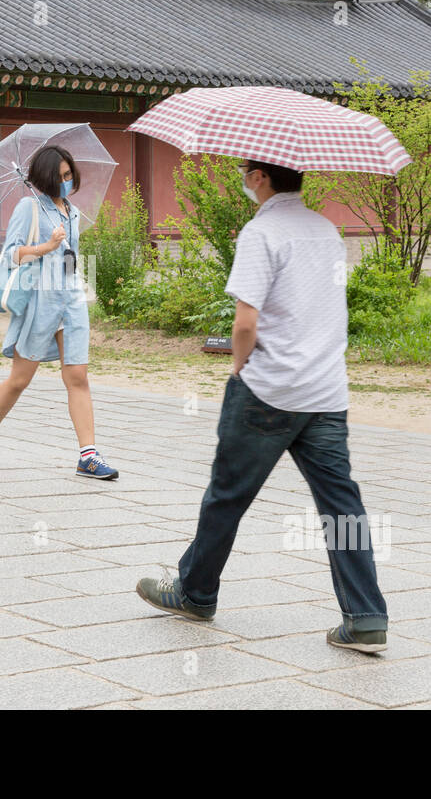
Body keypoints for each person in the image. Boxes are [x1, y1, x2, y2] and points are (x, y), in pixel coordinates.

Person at [135, 158, 388, 652]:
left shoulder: (262, 232)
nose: (245, 181)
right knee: (343, 507)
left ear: (261, 178)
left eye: (247, 173)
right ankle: (366, 617)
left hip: (269, 389)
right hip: (326, 391)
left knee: (227, 495)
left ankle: (195, 592)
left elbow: (245, 323)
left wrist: (237, 368)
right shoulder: (326, 230)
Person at [0, 146, 118, 480]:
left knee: (77, 377)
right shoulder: (29, 207)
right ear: (44, 178)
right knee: (20, 379)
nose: (66, 182)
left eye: (69, 175)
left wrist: (68, 257)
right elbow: (11, 255)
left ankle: (88, 455)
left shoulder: (72, 211)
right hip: (39, 302)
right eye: (60, 176)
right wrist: (46, 247)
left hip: (71, 299)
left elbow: (71, 259)